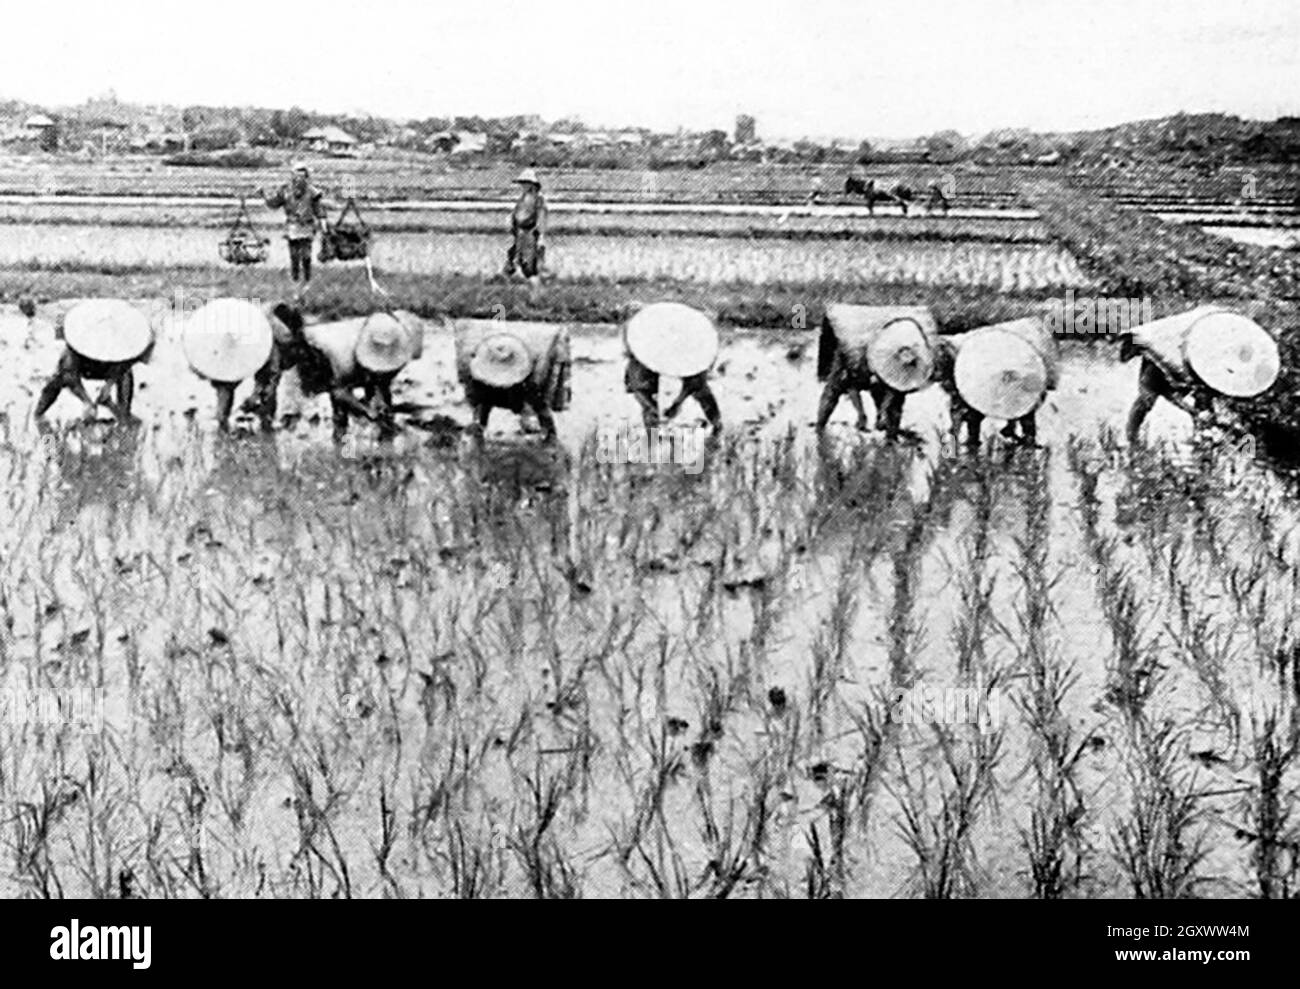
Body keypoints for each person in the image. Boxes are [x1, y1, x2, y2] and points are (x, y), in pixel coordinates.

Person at [34, 301, 153, 427]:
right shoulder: (76, 346)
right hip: (85, 366)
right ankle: (39, 414)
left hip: (108, 367)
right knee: (56, 380)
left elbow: (125, 365)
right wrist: (87, 401)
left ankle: (124, 414)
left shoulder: (121, 345)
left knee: (126, 377)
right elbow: (69, 376)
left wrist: (108, 385)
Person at [462, 330, 567, 444]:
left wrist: (549, 433)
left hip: (518, 393)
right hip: (491, 393)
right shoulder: (482, 385)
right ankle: (478, 440)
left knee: (536, 404)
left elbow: (542, 409)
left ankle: (548, 438)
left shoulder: (528, 383)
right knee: (481, 410)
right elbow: (478, 409)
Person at [1121, 334, 1215, 445]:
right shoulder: (1156, 361)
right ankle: (1131, 437)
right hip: (1158, 368)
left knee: (1203, 396)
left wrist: (1197, 412)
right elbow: (1171, 394)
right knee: (1146, 400)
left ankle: (1204, 434)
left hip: (1185, 363)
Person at [259, 163, 328, 284]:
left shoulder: (312, 192)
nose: (299, 179)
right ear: (292, 176)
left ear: (306, 177)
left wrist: (323, 222)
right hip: (292, 225)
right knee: (294, 255)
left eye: (302, 175)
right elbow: (274, 203)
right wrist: (264, 195)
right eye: (297, 175)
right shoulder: (285, 191)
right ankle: (295, 278)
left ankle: (307, 278)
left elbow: (318, 209)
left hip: (307, 225)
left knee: (306, 255)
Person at [624, 352, 722, 438]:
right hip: (645, 357)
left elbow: (695, 384)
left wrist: (676, 404)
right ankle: (652, 437)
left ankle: (716, 426)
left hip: (689, 354)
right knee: (646, 398)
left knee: (701, 391)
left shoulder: (695, 355)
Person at [503, 168, 548, 283]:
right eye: (522, 183)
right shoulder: (522, 199)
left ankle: (534, 292)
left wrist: (541, 237)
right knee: (514, 259)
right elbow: (516, 214)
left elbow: (541, 217)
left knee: (529, 265)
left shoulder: (539, 199)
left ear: (532, 184)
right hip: (519, 234)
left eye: (525, 183)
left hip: (530, 234)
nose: (523, 185)